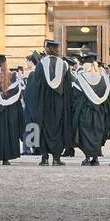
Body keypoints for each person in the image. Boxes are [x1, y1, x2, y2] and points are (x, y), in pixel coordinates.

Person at [24, 38, 71, 166]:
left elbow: (36, 87)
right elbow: (68, 88)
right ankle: (56, 158)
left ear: (47, 49)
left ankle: (44, 158)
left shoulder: (41, 64)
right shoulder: (64, 65)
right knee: (57, 128)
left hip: (43, 104)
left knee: (43, 127)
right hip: (59, 103)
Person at [70, 53, 110, 165]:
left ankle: (87, 157)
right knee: (97, 133)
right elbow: (107, 99)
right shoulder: (103, 79)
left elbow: (75, 97)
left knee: (86, 134)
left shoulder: (81, 79)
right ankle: (95, 158)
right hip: (99, 113)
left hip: (85, 112)